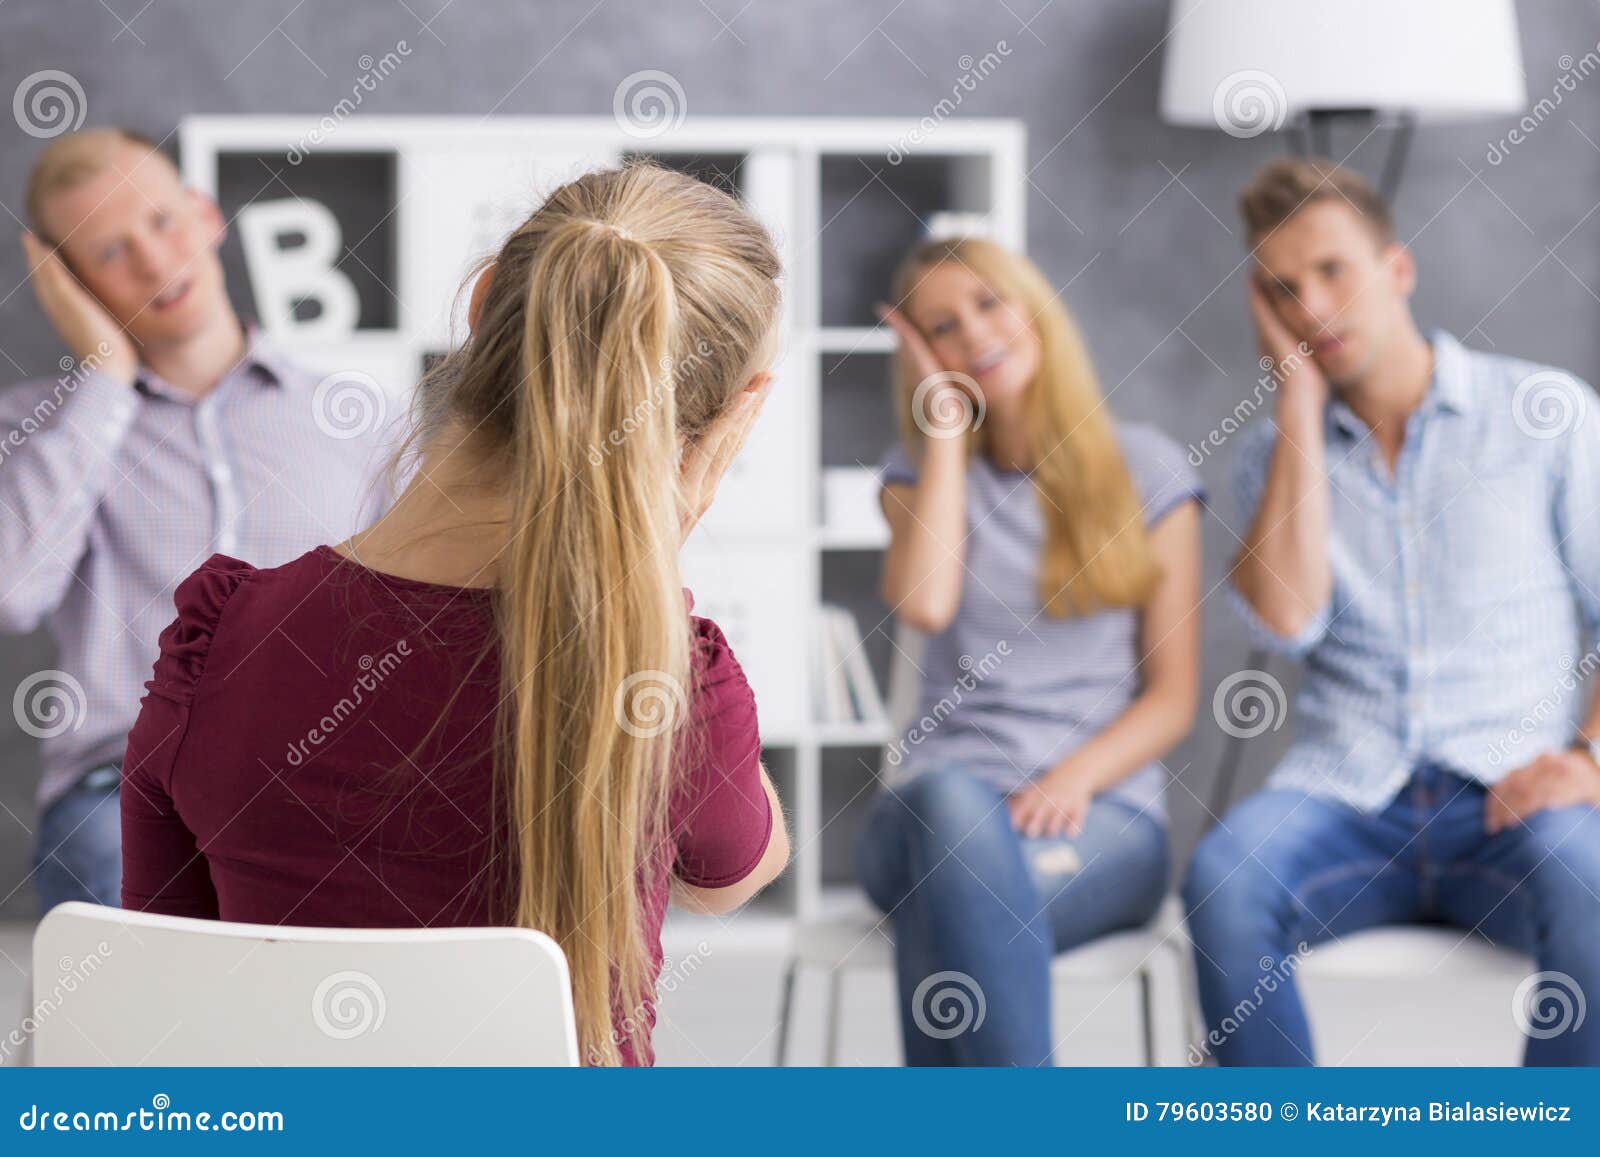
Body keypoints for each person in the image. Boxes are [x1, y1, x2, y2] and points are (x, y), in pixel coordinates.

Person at [120, 164, 792, 1067]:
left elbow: (164, 995)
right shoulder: (667, 683)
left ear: (479, 306)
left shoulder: (221, 641)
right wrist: (646, 570)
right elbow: (731, 876)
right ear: (732, 414)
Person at [1184, 157, 1600, 1066]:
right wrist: (1297, 404)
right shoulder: (1270, 459)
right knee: (1222, 879)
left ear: (1397, 269)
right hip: (1346, 796)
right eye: (1283, 288)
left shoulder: (1545, 415)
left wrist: (1589, 756)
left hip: (1513, 792)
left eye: (1333, 270)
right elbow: (1285, 623)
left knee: (1595, 875)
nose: (1312, 306)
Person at [1, 127, 394, 912]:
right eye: (109, 252)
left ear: (207, 214)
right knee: (122, 888)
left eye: (160, 222)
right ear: (70, 286)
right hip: (124, 786)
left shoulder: (358, 416)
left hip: (333, 776)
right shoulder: (43, 425)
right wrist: (104, 381)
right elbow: (13, 591)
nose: (152, 261)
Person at [854, 237, 1203, 1066]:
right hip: (934, 817)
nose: (974, 334)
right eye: (942, 326)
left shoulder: (1147, 469)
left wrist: (1071, 777)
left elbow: (1174, 694)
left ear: (1034, 308)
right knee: (948, 808)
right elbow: (926, 601)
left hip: (1100, 819)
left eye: (989, 303)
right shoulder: (915, 474)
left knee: (958, 911)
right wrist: (941, 433)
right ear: (922, 354)